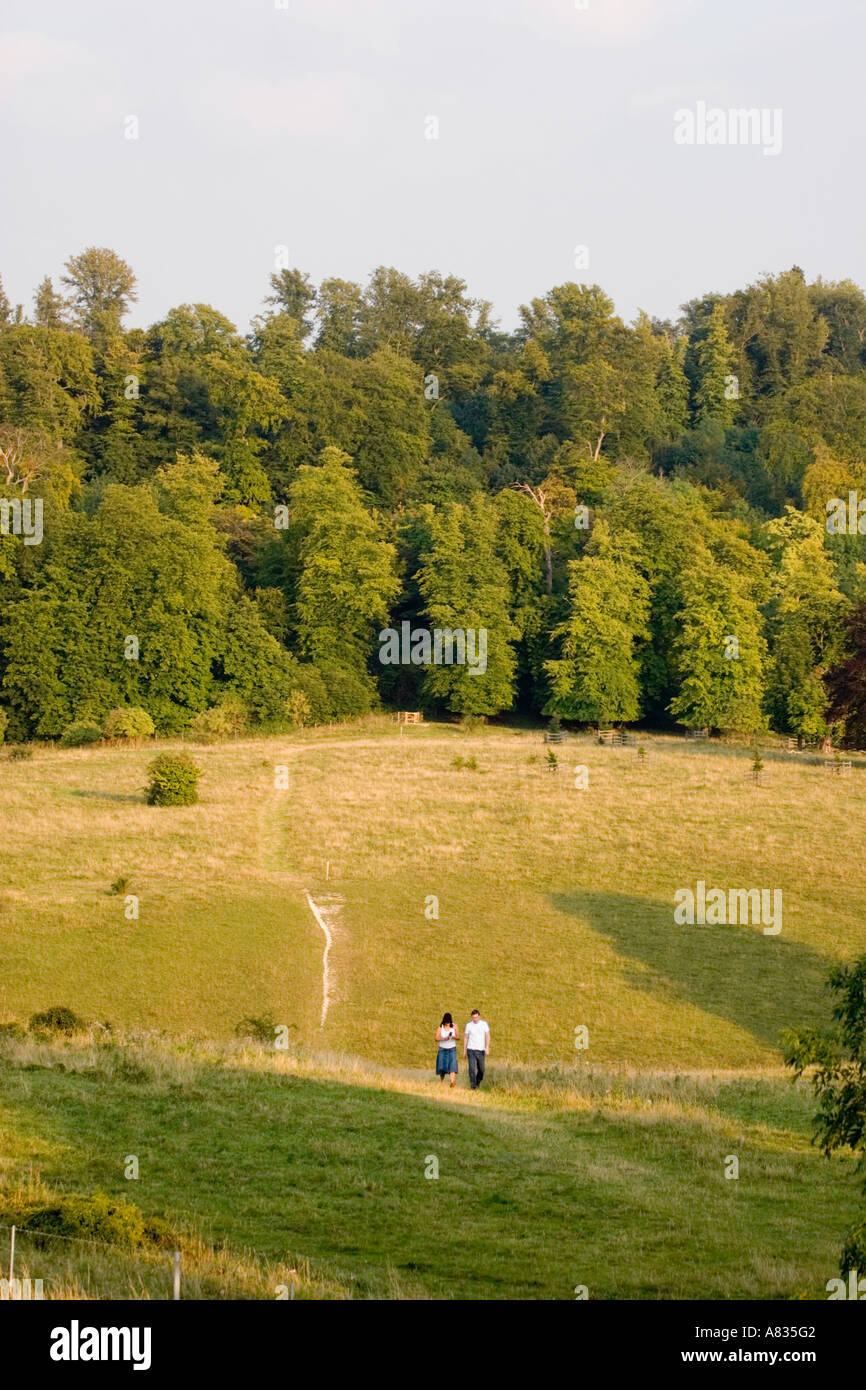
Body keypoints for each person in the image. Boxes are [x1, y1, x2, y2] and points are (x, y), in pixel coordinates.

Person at [463, 1009, 490, 1090]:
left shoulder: (484, 1024)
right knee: (472, 1068)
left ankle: (477, 1082)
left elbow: (487, 1035)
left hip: (481, 1050)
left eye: (476, 1017)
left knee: (481, 1070)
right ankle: (473, 1086)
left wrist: (487, 1047)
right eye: (473, 1018)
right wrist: (464, 1050)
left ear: (479, 1016)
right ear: (471, 1018)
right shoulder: (469, 1025)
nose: (475, 1019)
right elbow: (466, 1037)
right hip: (471, 1049)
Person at [435, 1012, 459, 1086]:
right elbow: (436, 1038)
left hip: (452, 1049)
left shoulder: (454, 1026)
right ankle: (442, 1082)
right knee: (442, 1066)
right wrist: (443, 1038)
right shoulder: (440, 1027)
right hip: (442, 1049)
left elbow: (458, 1037)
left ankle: (452, 1082)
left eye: (448, 1022)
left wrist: (453, 1037)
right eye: (446, 1022)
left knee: (452, 1065)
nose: (447, 1024)